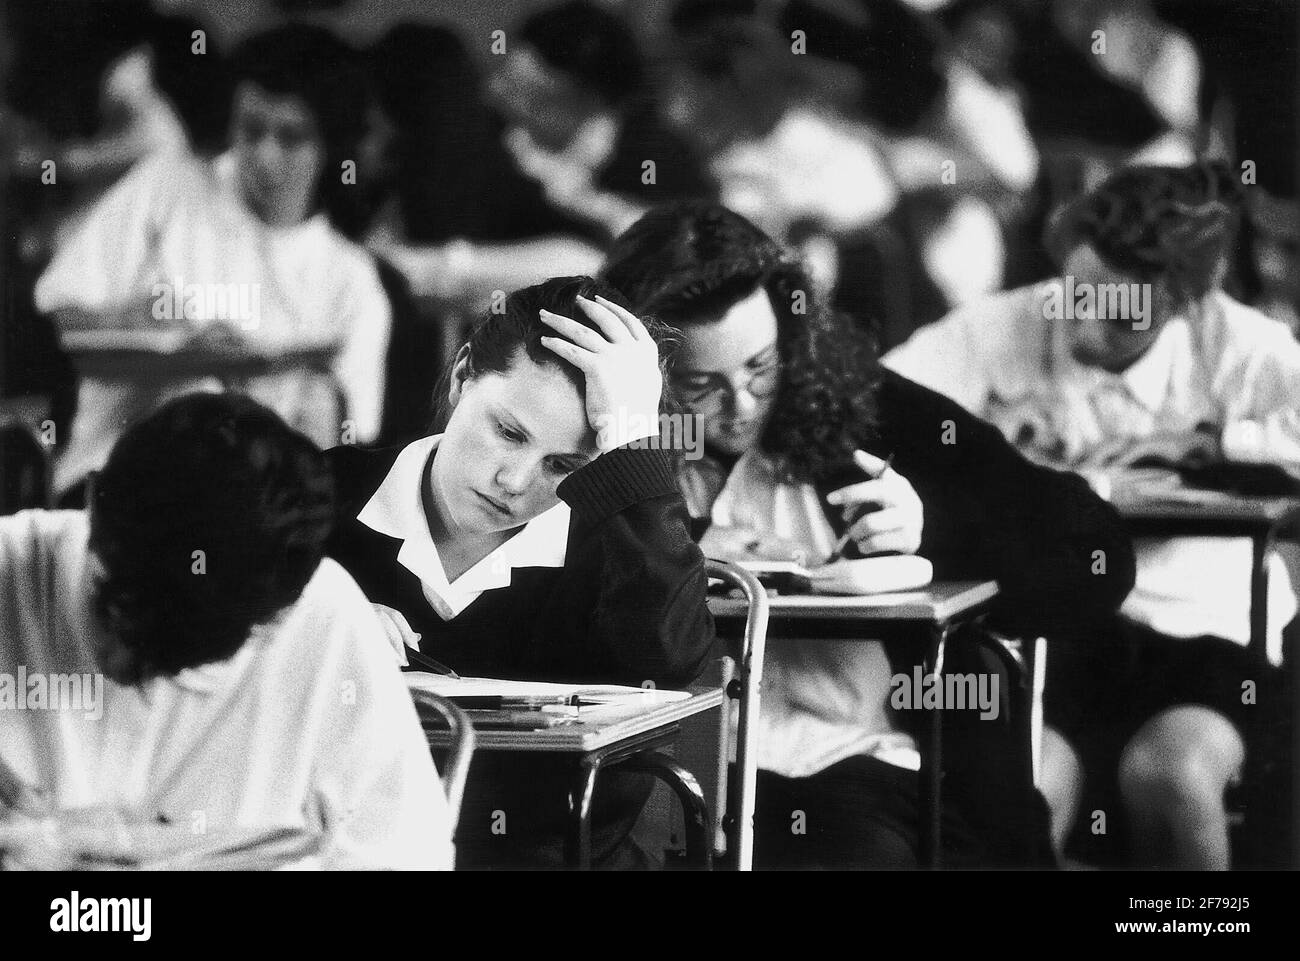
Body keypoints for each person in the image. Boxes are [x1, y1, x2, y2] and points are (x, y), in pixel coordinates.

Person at [600, 201, 1136, 868]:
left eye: (761, 367)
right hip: (671, 761)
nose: (740, 407)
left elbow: (1096, 557)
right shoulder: (603, 445)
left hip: (860, 761)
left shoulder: (873, 416)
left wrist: (930, 535)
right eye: (698, 385)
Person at [884, 160, 1300, 868]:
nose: (1078, 324)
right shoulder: (1010, 322)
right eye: (1072, 294)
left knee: (1170, 777)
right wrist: (984, 460)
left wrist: (1214, 443)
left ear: (1181, 302)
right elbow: (881, 396)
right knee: (1015, 789)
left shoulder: (1238, 344)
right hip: (1059, 635)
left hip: (1201, 633)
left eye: (1115, 313)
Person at [324, 276, 715, 869]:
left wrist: (635, 444)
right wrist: (315, 619)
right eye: (508, 432)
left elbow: (668, 659)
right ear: (461, 378)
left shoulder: (619, 545)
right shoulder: (321, 498)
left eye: (563, 464)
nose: (514, 482)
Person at [0, 393, 451, 870]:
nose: (126, 669)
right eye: (115, 616)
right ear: (94, 500)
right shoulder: (10, 565)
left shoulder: (321, 614)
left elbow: (410, 854)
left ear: (274, 619)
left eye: (184, 667)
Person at [33, 24, 391, 501]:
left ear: (331, 147)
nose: (263, 156)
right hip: (116, 481)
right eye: (250, 129)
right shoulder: (169, 187)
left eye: (290, 138)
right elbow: (66, 320)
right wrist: (162, 339)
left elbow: (347, 444)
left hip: (254, 512)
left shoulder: (349, 280)